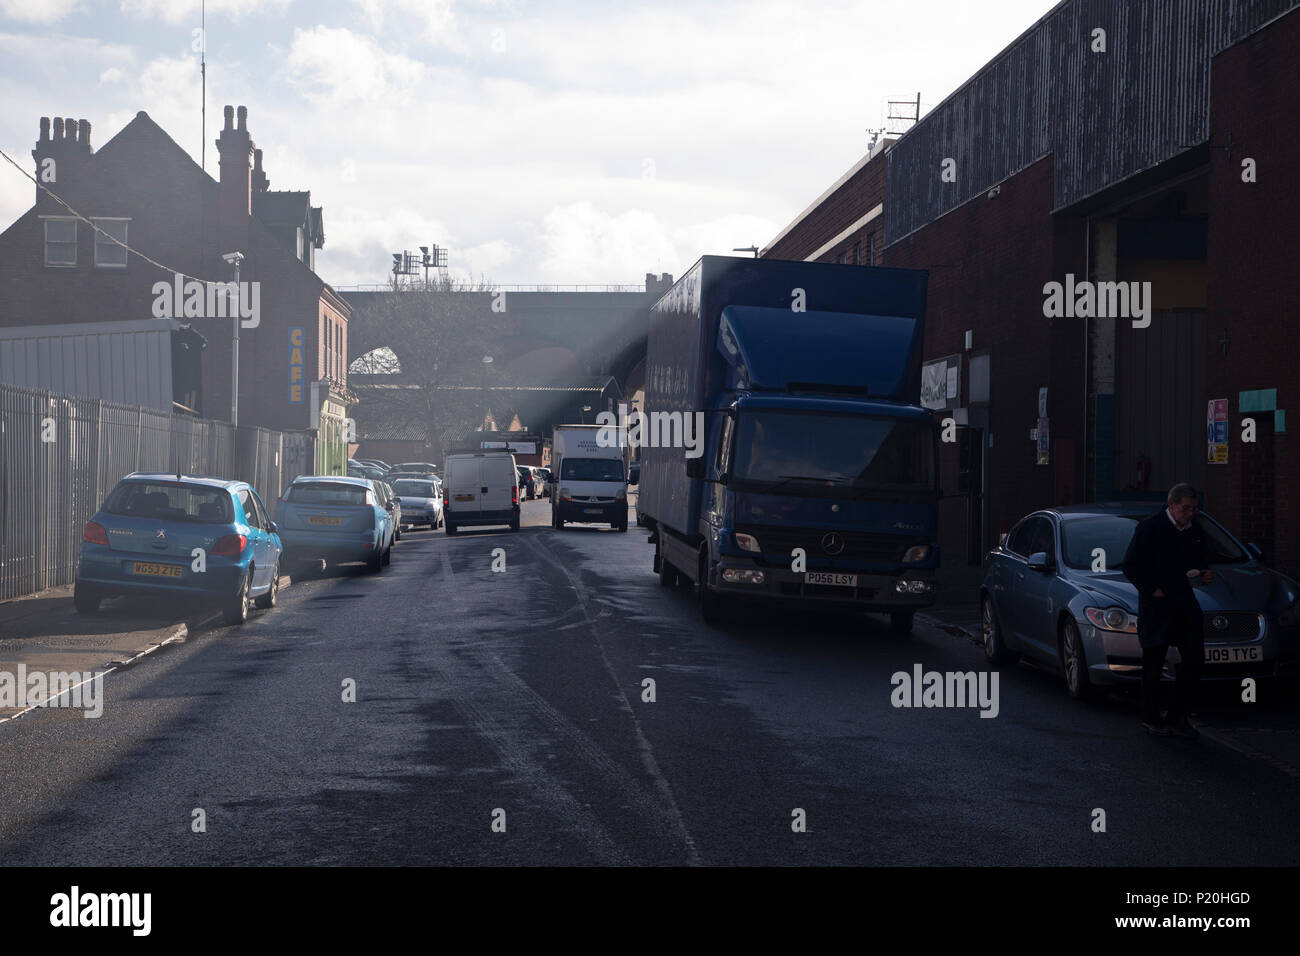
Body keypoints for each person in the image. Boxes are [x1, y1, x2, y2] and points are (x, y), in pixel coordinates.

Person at [1122, 483, 1213, 738]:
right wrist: (1153, 590)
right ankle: (1151, 717)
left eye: (1193, 509)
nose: (1190, 514)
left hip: (1184, 602)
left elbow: (1202, 557)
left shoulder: (1194, 530)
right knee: (1153, 661)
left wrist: (1204, 573)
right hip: (1158, 605)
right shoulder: (1150, 528)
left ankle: (1177, 715)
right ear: (1171, 505)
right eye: (1185, 508)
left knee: (1195, 658)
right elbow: (1131, 565)